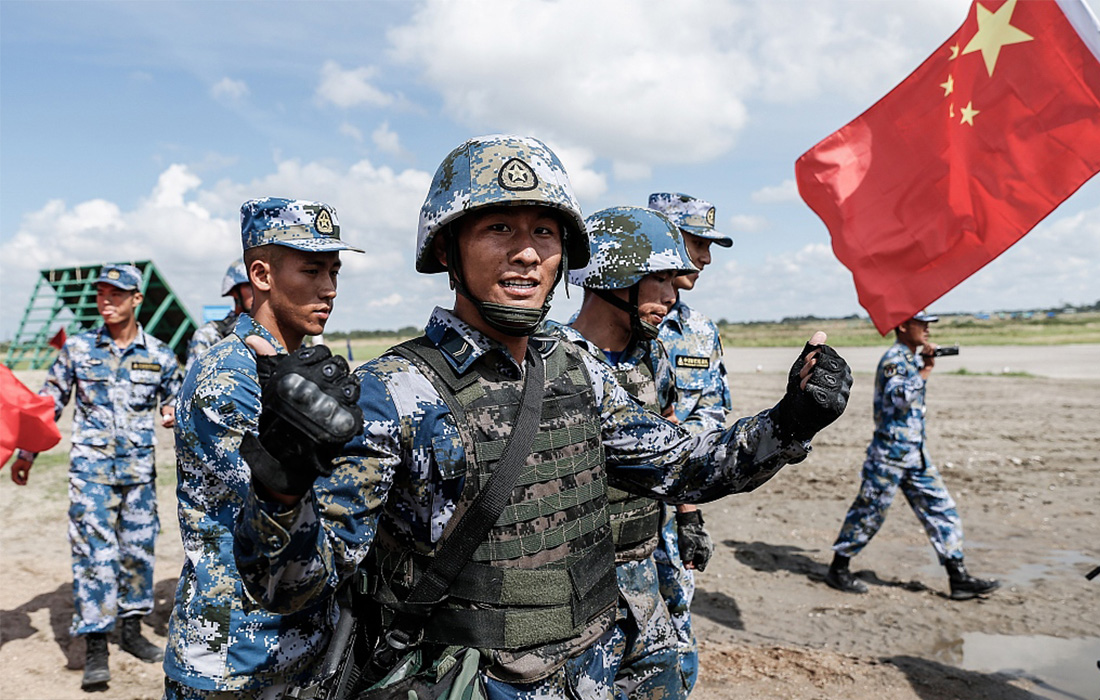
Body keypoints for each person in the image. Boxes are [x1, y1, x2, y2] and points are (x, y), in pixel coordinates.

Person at [232, 134, 852, 699]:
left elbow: (684, 468)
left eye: (544, 233)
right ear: (448, 249)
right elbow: (291, 588)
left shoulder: (577, 367)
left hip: (595, 675)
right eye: (499, 228)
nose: (527, 253)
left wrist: (791, 420)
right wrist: (282, 489)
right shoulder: (392, 394)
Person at [164, 198, 363, 699]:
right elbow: (270, 509)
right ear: (262, 274)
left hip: (299, 644)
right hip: (236, 655)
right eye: (312, 269)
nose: (329, 288)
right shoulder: (228, 376)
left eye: (335, 271)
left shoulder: (293, 371)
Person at [545, 204, 702, 698]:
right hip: (577, 589)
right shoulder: (550, 362)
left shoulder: (650, 357)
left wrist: (690, 515)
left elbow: (674, 443)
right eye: (662, 281)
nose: (673, 298)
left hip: (646, 568)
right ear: (616, 274)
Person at [8, 263, 182, 690]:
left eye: (117, 293)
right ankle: (97, 647)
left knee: (137, 556)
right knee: (93, 561)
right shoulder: (78, 350)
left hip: (139, 476)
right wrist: (26, 452)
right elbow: (48, 406)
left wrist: (172, 412)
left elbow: (178, 400)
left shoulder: (158, 354)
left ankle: (131, 630)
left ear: (136, 300)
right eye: (102, 292)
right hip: (91, 476)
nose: (107, 300)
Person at [824, 311, 1000, 601]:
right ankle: (839, 568)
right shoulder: (894, 360)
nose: (928, 329)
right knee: (869, 513)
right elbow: (899, 398)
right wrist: (925, 371)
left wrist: (922, 365)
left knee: (942, 509)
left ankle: (959, 576)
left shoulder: (910, 359)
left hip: (915, 455)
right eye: (923, 324)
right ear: (904, 326)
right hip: (889, 456)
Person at [648, 192, 734, 693]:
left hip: (676, 513)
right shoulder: (599, 329)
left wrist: (691, 511)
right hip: (610, 519)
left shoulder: (700, 333)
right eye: (696, 242)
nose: (705, 258)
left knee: (677, 621)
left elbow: (713, 416)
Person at [184, 259, 253, 374]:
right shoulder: (210, 335)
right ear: (234, 291)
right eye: (250, 285)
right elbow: (195, 385)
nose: (258, 289)